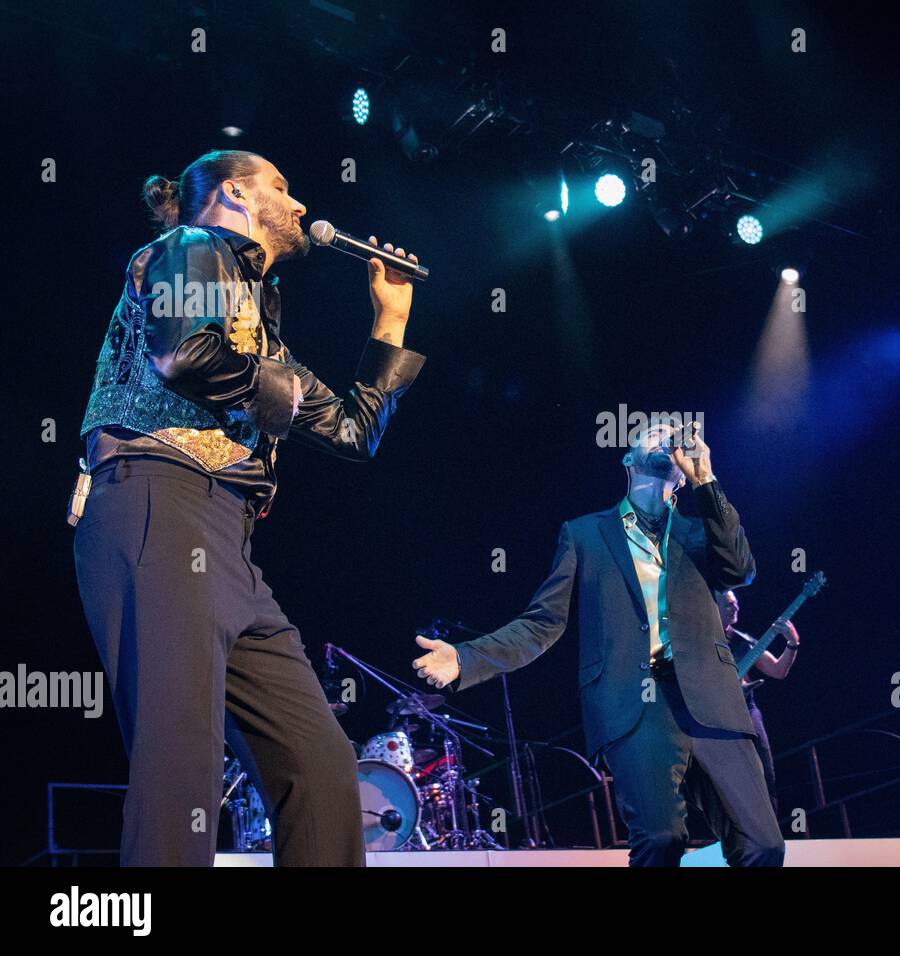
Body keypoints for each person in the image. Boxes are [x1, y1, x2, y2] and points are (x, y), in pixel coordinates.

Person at [73, 149, 426, 865]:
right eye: (283, 187)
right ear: (235, 192)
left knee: (320, 764)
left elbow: (354, 433)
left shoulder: (264, 334)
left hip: (228, 540)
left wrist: (389, 322)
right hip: (161, 500)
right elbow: (183, 353)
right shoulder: (189, 246)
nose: (299, 205)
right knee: (180, 763)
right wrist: (282, 392)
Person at [412, 420, 784, 866]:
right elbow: (542, 622)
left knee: (764, 845)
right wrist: (467, 657)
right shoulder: (585, 535)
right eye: (654, 431)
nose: (665, 437)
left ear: (681, 475)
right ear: (627, 458)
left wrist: (707, 477)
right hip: (634, 703)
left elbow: (740, 570)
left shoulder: (701, 532)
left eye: (672, 434)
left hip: (714, 700)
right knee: (662, 839)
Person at [715, 588, 800, 815]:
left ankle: (770, 829)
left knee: (764, 773)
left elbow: (778, 670)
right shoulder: (697, 641)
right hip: (715, 717)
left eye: (735, 603)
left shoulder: (743, 641)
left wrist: (792, 643)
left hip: (747, 711)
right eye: (728, 604)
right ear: (712, 608)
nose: (735, 607)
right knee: (727, 781)